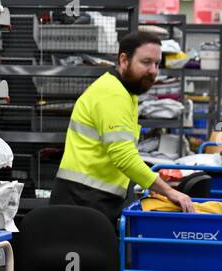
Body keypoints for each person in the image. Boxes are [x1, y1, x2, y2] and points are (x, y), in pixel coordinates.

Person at [50, 30, 194, 223]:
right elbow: (124, 157)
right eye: (146, 62)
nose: (153, 70)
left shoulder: (127, 93)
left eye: (157, 64)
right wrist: (169, 192)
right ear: (124, 60)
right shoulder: (113, 94)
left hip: (93, 197)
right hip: (82, 200)